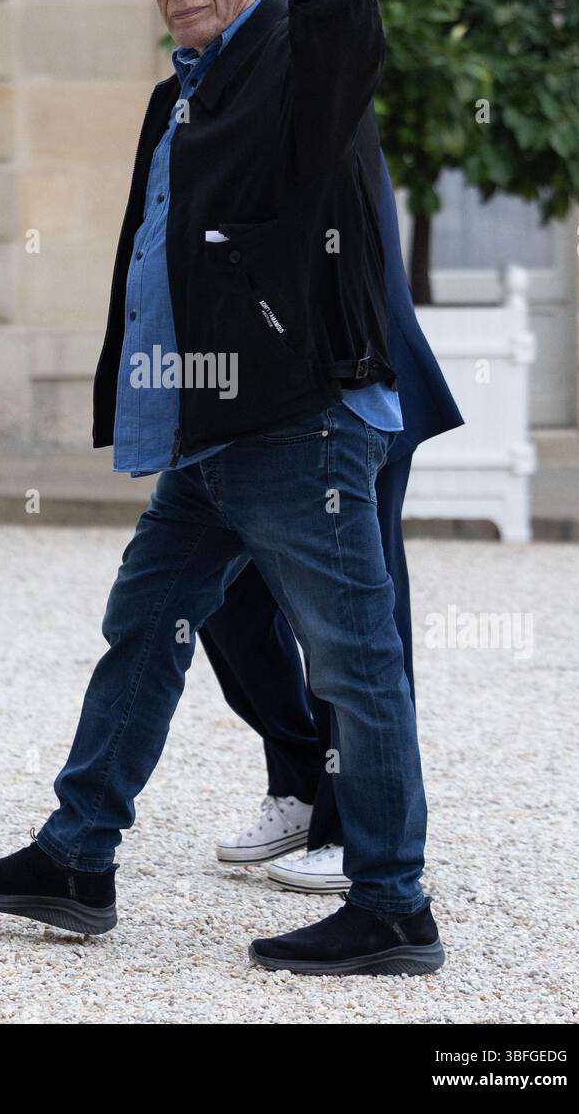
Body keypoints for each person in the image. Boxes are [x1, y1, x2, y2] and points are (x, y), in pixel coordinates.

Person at [0, 0, 447, 976]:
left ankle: (393, 904)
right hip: (213, 427)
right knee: (143, 631)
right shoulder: (183, 90)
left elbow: (339, 60)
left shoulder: (293, 55)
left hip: (298, 417)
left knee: (353, 661)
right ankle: (76, 858)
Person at [204, 151, 463, 890]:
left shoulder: (309, 61)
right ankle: (302, 777)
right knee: (225, 603)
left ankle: (358, 830)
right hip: (244, 398)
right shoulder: (213, 89)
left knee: (355, 621)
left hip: (354, 387)